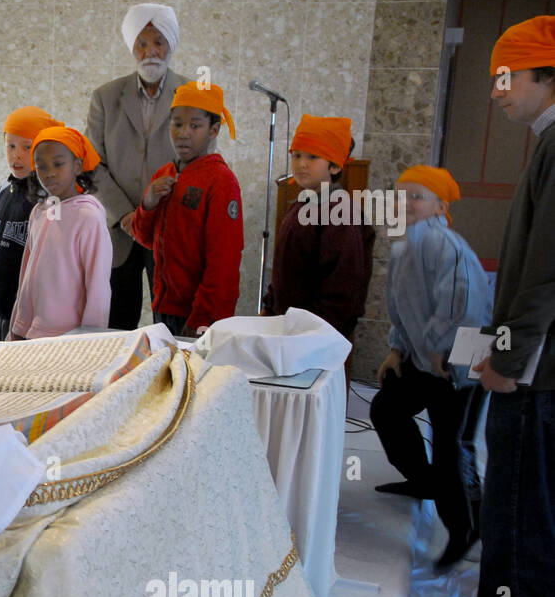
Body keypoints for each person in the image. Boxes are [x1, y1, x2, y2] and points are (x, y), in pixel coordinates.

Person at [441, 15, 555, 597]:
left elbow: (544, 277)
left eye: (508, 78)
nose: (497, 93)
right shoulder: (544, 141)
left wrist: (505, 363)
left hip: (536, 378)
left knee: (524, 512)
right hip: (525, 365)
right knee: (511, 507)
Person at [370, 165, 490, 569]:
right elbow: (401, 308)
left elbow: (464, 302)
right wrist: (397, 348)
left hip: (462, 358)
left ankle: (465, 527)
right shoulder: (406, 249)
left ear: (440, 206)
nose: (405, 204)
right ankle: (422, 481)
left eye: (416, 197)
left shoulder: (445, 245)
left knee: (452, 446)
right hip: (427, 357)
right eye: (400, 196)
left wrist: (445, 349)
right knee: (387, 409)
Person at [86, 3, 190, 330]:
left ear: (170, 44)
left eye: (158, 41)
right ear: (132, 48)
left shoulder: (190, 94)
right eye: (142, 43)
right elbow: (91, 164)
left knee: (169, 325)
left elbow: (196, 163)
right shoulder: (105, 97)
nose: (150, 51)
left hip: (168, 229)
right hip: (120, 230)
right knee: (116, 326)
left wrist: (152, 213)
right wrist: (127, 214)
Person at [128, 82, 244, 337]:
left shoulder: (221, 181)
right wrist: (148, 203)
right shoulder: (164, 174)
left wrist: (202, 318)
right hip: (164, 307)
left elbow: (223, 262)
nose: (183, 133)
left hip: (202, 315)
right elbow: (145, 238)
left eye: (195, 125)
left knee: (196, 377)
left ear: (214, 129)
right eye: (177, 123)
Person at [261, 115, 373, 341]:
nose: (301, 163)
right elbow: (285, 272)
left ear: (334, 166)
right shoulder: (300, 206)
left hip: (315, 337)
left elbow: (344, 291)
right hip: (288, 331)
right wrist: (269, 310)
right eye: (297, 155)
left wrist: (314, 337)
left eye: (313, 157)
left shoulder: (341, 216)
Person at [8, 126, 111, 340]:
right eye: (41, 166)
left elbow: (98, 286)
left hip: (67, 336)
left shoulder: (88, 216)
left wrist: (89, 339)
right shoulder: (39, 211)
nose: (50, 173)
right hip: (29, 332)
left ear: (77, 165)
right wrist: (16, 327)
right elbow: (26, 275)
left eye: (58, 164)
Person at [0, 106, 61, 344]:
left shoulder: (48, 200)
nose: (16, 155)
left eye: (27, 147)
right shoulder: (3, 190)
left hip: (26, 317)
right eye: (11, 146)